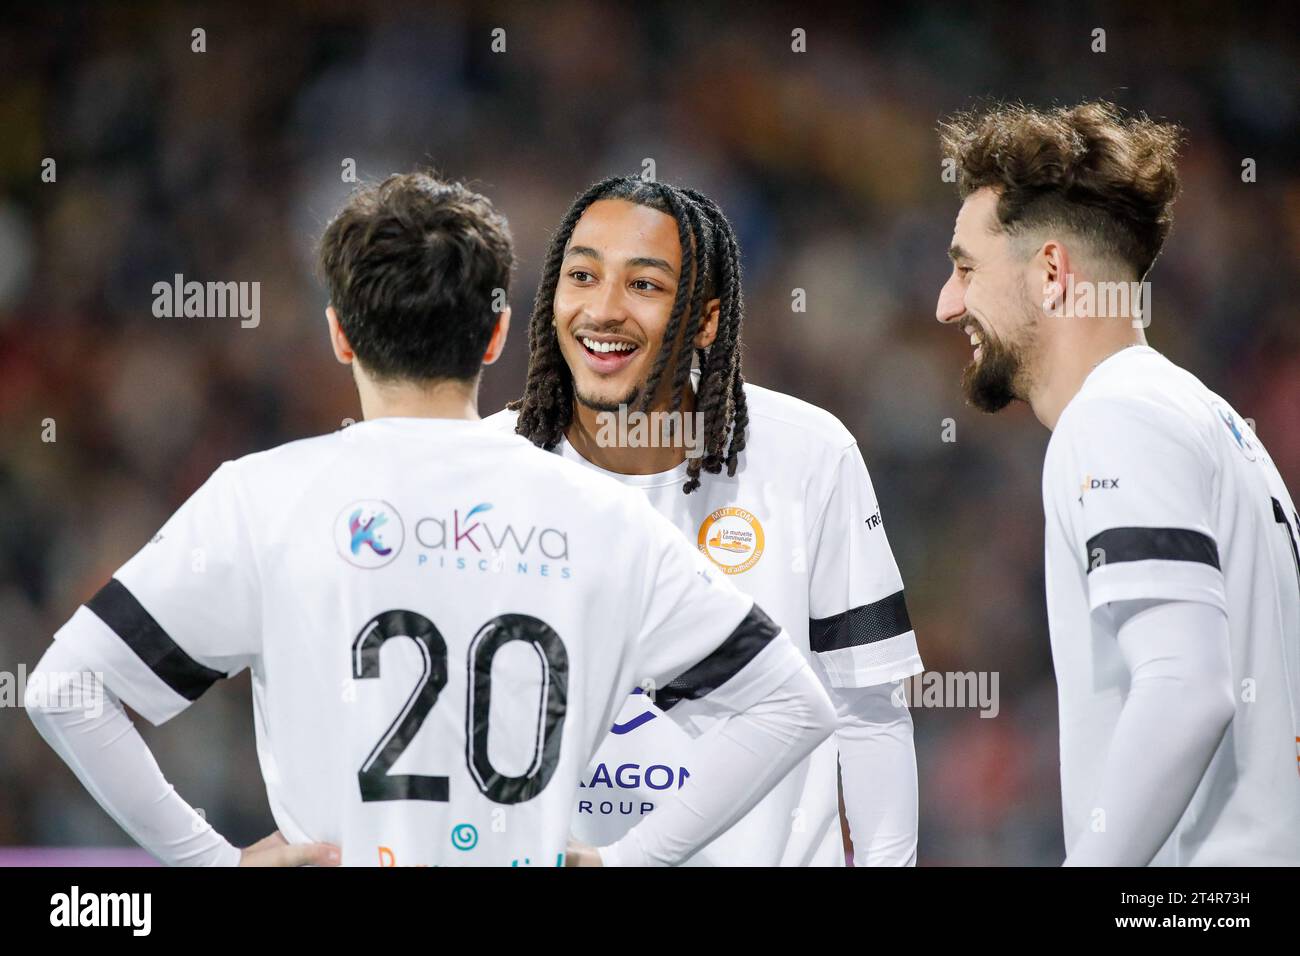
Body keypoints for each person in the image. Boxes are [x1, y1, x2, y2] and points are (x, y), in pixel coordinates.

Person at [25, 172, 836, 867]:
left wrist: (208, 860)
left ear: (340, 334)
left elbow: (64, 689)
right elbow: (795, 707)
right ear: (496, 335)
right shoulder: (605, 518)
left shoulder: (265, 498)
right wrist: (634, 859)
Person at [492, 177, 922, 866]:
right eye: (582, 276)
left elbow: (869, 709)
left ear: (706, 320)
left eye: (644, 286)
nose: (603, 311)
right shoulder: (489, 469)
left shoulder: (809, 454)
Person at [935, 101, 1300, 865]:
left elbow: (1187, 686)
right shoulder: (1215, 423)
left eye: (966, 268)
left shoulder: (1114, 417)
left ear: (1052, 271)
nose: (948, 303)